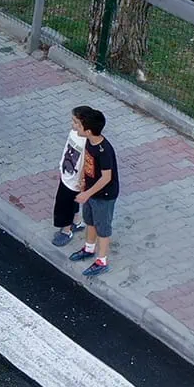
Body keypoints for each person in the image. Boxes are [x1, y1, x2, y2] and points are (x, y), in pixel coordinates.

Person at [68, 107, 119, 277]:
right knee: (90, 220)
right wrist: (83, 178)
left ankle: (102, 260)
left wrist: (87, 193)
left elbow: (106, 178)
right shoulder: (90, 141)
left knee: (102, 228)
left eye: (77, 124)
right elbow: (87, 161)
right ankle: (89, 248)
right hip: (90, 190)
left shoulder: (104, 151)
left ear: (88, 130)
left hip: (103, 196)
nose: (74, 126)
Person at [52, 106, 91, 247]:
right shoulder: (74, 133)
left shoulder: (86, 142)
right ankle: (77, 222)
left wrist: (82, 180)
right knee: (72, 202)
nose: (72, 124)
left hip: (74, 180)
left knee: (64, 205)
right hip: (67, 174)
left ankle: (66, 231)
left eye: (75, 122)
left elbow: (84, 164)